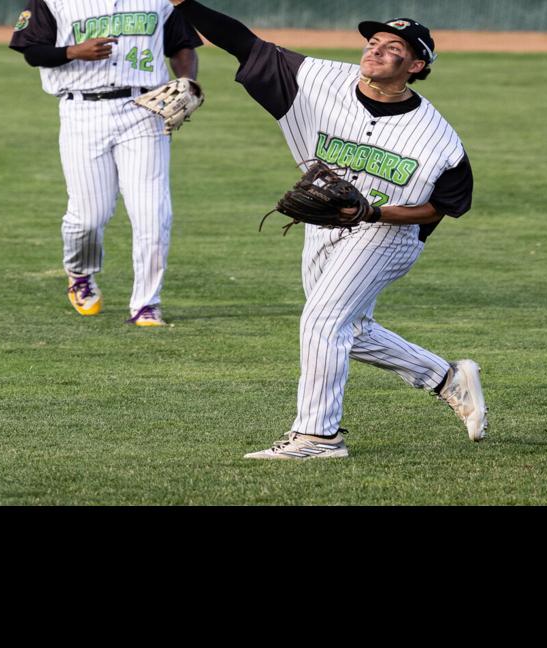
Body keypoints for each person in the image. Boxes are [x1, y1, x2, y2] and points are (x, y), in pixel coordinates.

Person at [168, 1, 485, 459]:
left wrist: (373, 214)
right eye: (373, 42)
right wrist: (185, 5)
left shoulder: (437, 140)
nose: (375, 50)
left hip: (387, 235)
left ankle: (318, 437)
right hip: (322, 221)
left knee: (322, 321)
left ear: (415, 66)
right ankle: (445, 377)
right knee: (348, 331)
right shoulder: (316, 80)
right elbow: (245, 45)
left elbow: (441, 207)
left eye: (392, 48)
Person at [10, 1, 204, 327]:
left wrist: (186, 80)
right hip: (81, 110)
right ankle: (80, 272)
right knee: (88, 217)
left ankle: (147, 304)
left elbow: (182, 45)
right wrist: (72, 52)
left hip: (145, 110)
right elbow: (32, 50)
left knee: (153, 213)